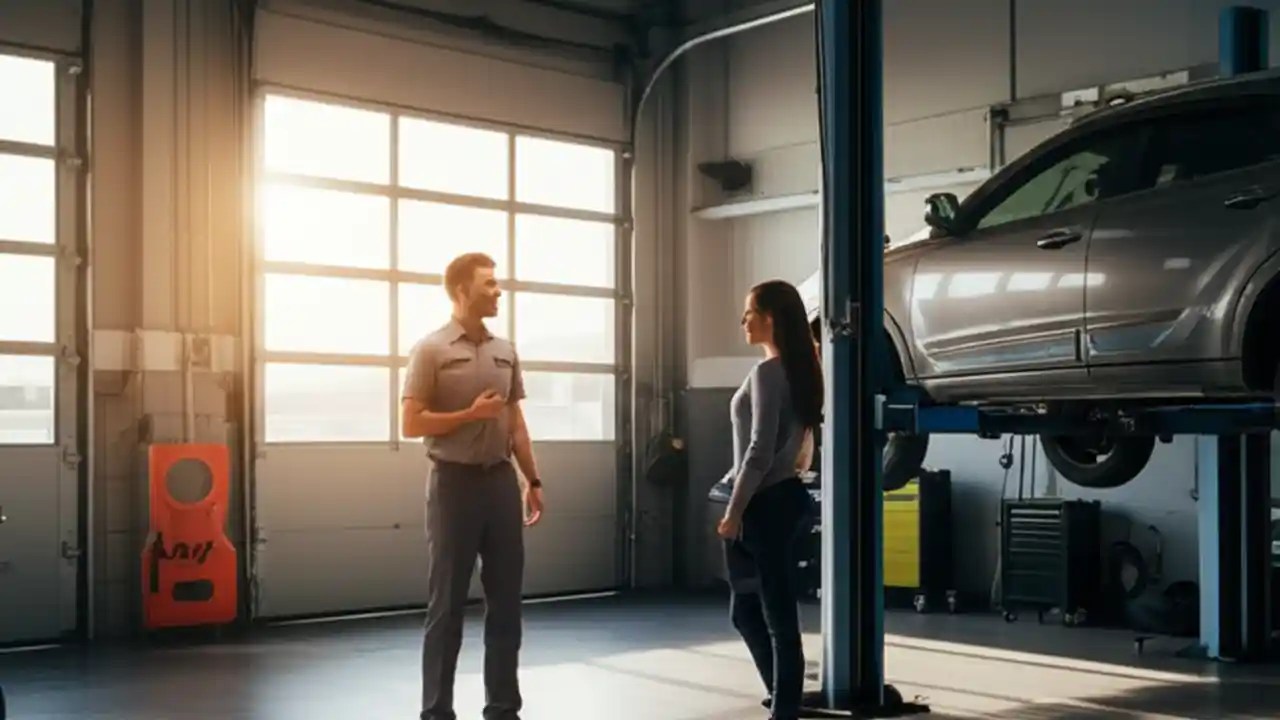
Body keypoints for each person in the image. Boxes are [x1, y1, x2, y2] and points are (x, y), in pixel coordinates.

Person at [401, 252, 545, 720]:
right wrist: (468, 416)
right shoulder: (431, 350)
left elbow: (515, 421)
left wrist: (533, 479)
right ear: (462, 290)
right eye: (488, 284)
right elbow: (410, 421)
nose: (497, 290)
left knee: (506, 604)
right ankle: (437, 710)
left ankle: (503, 707)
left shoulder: (507, 350)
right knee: (447, 604)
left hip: (500, 483)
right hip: (453, 485)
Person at [716, 279, 823, 720]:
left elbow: (758, 452)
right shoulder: (802, 370)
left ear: (771, 319)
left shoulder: (768, 373)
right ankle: (784, 698)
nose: (743, 320)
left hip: (763, 504)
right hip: (784, 499)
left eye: (749, 312)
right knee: (749, 611)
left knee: (776, 615)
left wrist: (733, 512)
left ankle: (785, 710)